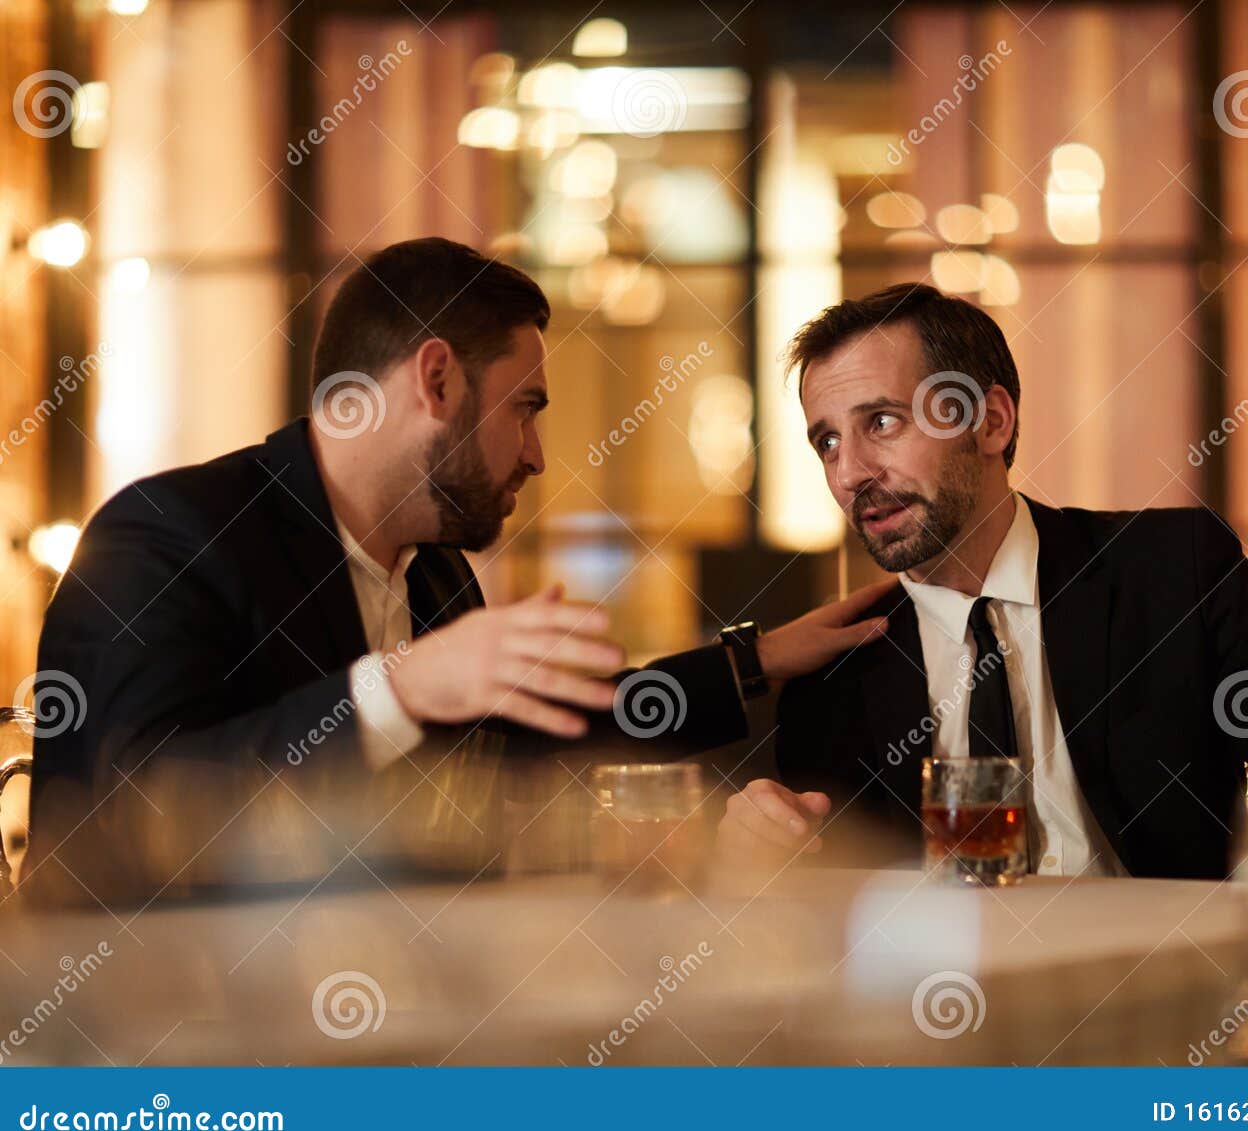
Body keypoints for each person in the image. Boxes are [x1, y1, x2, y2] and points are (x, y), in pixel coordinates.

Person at [24, 237, 888, 904]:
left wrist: (753, 659)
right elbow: (125, 809)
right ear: (436, 379)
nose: (539, 455)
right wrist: (400, 687)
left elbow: (523, 745)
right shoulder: (167, 533)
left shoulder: (436, 578)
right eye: (527, 408)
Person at [717, 283, 1248, 880]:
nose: (849, 472)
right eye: (826, 442)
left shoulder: (1174, 571)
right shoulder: (834, 679)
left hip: (1182, 978)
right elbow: (841, 918)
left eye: (881, 422)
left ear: (991, 421)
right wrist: (765, 857)